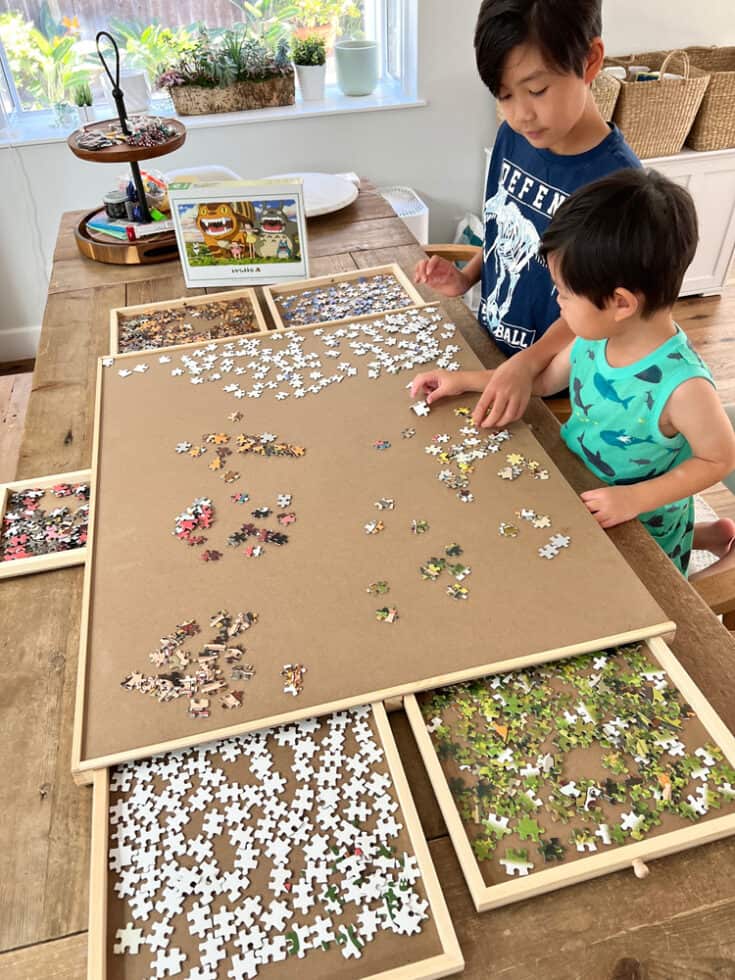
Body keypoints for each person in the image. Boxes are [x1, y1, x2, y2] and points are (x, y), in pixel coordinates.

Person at [416, 169, 735, 577]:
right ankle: (708, 534)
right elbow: (544, 381)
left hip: (644, 521)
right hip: (582, 478)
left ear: (620, 303)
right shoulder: (594, 336)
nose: (558, 302)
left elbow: (718, 458)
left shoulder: (684, 387)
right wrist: (463, 380)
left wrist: (634, 500)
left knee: (640, 590)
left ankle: (701, 554)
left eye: (565, 293)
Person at [415, 0, 639, 429]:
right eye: (504, 95)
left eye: (536, 91)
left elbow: (598, 304)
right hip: (490, 348)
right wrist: (466, 277)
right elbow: (502, 228)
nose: (521, 114)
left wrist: (529, 363)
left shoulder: (620, 185)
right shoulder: (513, 137)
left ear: (590, 60)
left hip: (553, 383)